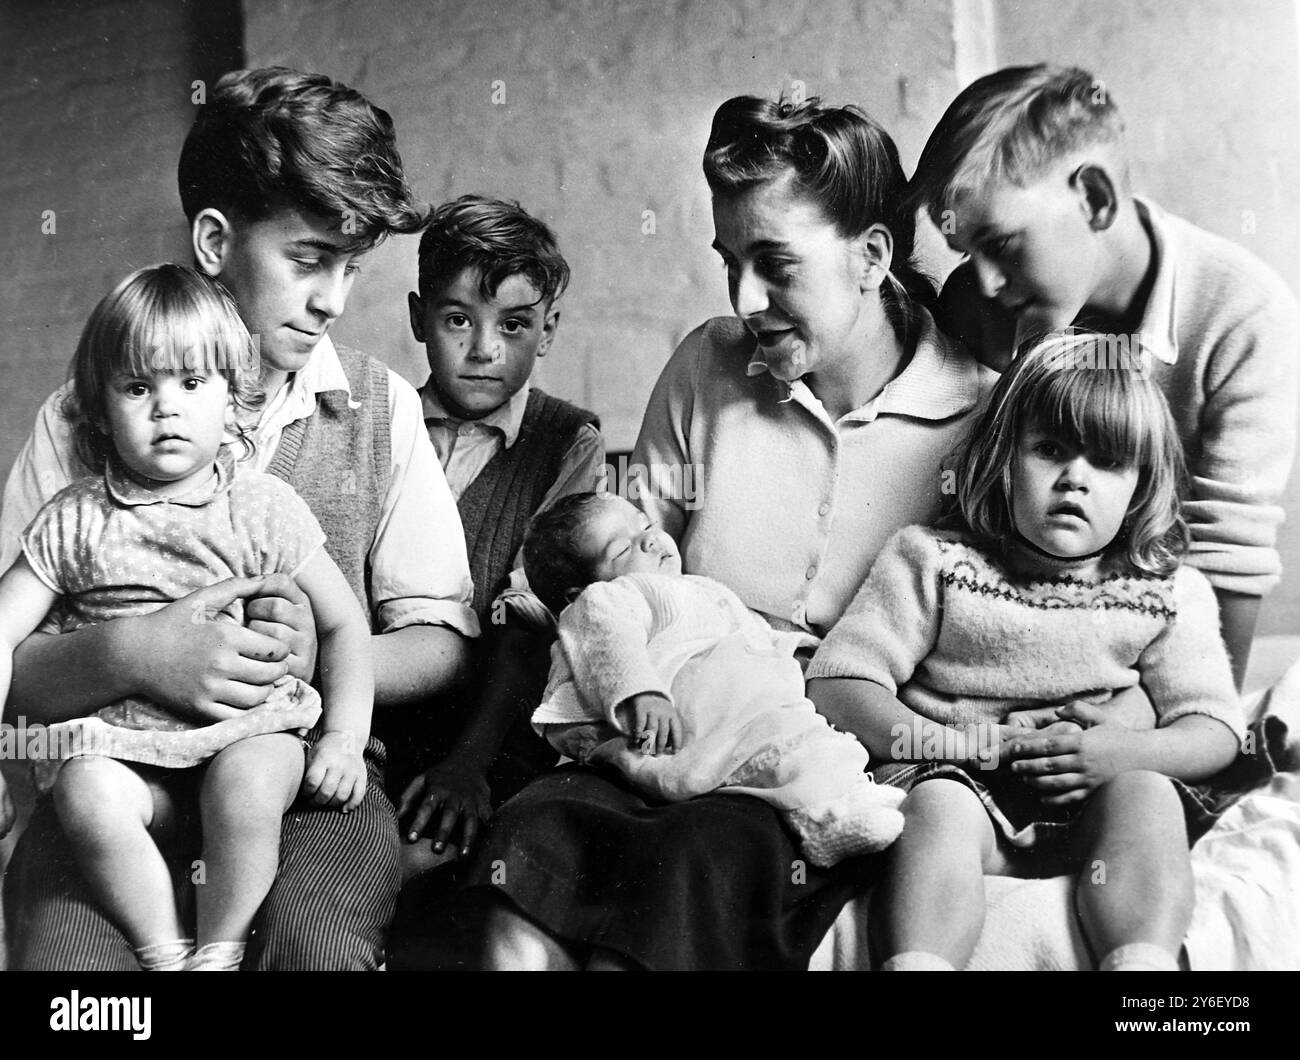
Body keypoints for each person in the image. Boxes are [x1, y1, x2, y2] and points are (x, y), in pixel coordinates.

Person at [466, 94, 995, 971]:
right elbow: (621, 557)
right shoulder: (708, 368)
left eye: (776, 264)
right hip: (657, 720)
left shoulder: (975, 415)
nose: (747, 299)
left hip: (802, 757)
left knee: (693, 863)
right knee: (523, 860)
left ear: (872, 256)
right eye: (729, 261)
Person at [1, 67, 477, 971]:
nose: (333, 297)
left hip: (300, 778)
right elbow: (12, 666)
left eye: (349, 267)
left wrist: (318, 657)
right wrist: (132, 653)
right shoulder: (85, 415)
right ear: (216, 240)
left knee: (315, 947)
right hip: (111, 764)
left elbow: (443, 640)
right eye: (308, 260)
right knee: (71, 974)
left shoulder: (378, 408)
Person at [808, 334, 1250, 972]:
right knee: (938, 809)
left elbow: (1215, 730)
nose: (1075, 478)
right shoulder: (934, 560)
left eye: (1108, 462)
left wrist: (1125, 752)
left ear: (1140, 485)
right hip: (967, 786)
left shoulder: (1164, 591)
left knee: (1147, 796)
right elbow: (839, 685)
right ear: (1003, 459)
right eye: (1049, 450)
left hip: (1095, 802)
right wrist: (970, 745)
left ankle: (1142, 974)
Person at [0, 265, 375, 971]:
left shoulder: (260, 506)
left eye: (191, 384)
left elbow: (342, 625)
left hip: (244, 734)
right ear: (101, 410)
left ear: (233, 398)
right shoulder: (75, 519)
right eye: (139, 388)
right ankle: (164, 950)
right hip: (129, 752)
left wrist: (345, 740)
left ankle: (219, 951)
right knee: (84, 790)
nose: (166, 408)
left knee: (252, 781)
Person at [908, 64, 1299, 687]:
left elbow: (1226, 555)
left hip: (1157, 664)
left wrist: (1168, 723)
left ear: (1093, 198)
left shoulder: (1245, 314)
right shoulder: (981, 307)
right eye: (967, 253)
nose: (983, 281)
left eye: (1002, 244)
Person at [522, 492, 905, 866]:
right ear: (580, 590)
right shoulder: (606, 597)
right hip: (704, 708)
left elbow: (750, 627)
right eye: (623, 550)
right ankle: (827, 817)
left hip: (751, 699)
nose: (650, 539)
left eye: (645, 525)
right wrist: (642, 692)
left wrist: (801, 651)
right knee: (784, 741)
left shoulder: (701, 588)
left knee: (805, 736)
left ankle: (840, 800)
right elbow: (609, 641)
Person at [392, 195, 604, 863]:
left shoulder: (567, 440)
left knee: (424, 863)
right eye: (458, 319)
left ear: (548, 331)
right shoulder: (378, 422)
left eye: (514, 326)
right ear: (417, 318)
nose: (484, 350)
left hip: (496, 724)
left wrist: (469, 766)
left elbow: (529, 617)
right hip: (376, 711)